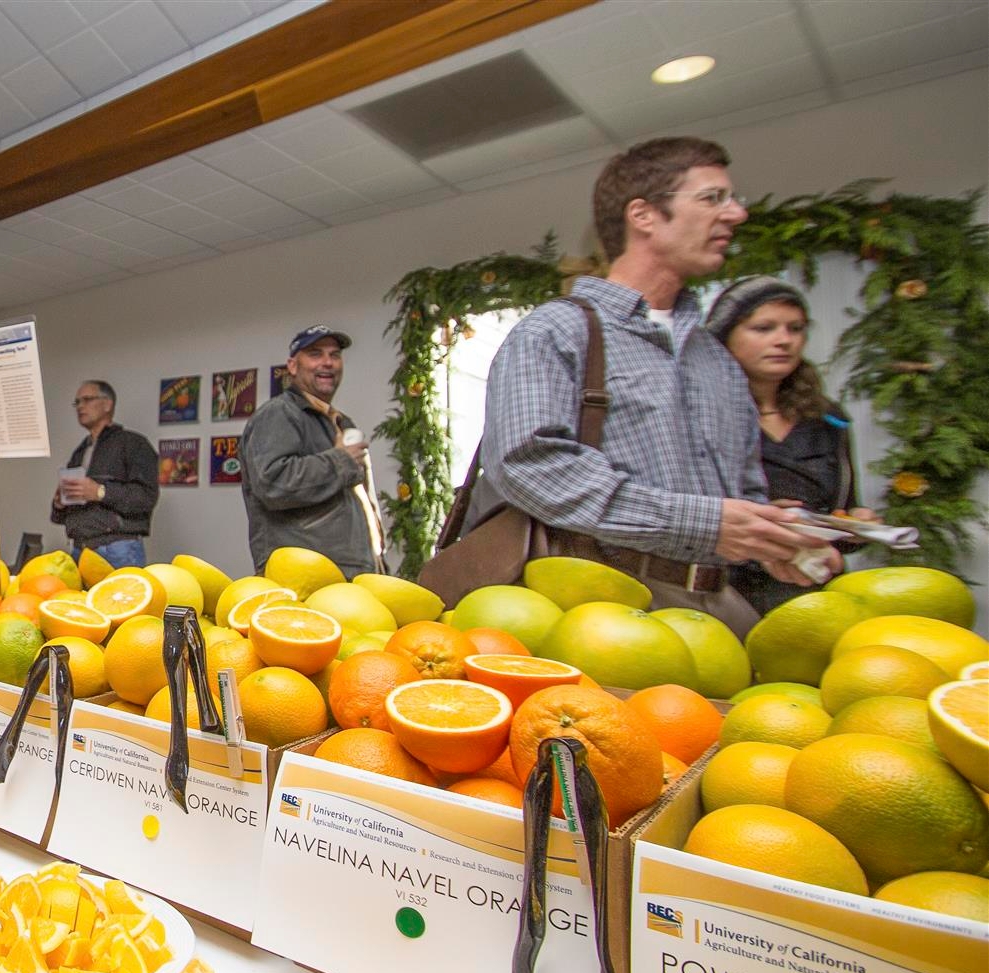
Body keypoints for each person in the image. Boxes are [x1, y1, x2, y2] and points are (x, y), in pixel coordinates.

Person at [460, 136, 831, 635]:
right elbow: (530, 466)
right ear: (644, 216)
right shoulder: (557, 331)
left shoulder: (717, 361)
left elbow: (743, 491)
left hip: (718, 610)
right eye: (712, 198)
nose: (736, 214)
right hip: (592, 611)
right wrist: (706, 522)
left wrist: (772, 537)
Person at [705, 277, 876, 614]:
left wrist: (855, 524)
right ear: (723, 337)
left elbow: (842, 508)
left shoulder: (827, 417)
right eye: (764, 328)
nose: (783, 340)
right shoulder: (700, 415)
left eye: (795, 328)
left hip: (816, 591)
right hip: (728, 596)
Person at [239, 325, 384, 579]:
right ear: (293, 366)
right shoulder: (278, 414)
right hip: (303, 575)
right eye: (315, 354)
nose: (327, 362)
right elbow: (272, 483)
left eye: (334, 355)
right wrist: (340, 461)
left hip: (350, 572)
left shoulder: (340, 422)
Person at [51, 380, 158, 568]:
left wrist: (100, 492)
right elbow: (59, 517)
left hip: (117, 548)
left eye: (87, 399)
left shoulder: (133, 444)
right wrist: (59, 503)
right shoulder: (80, 451)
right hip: (79, 548)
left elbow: (146, 498)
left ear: (108, 404)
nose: (80, 407)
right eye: (77, 402)